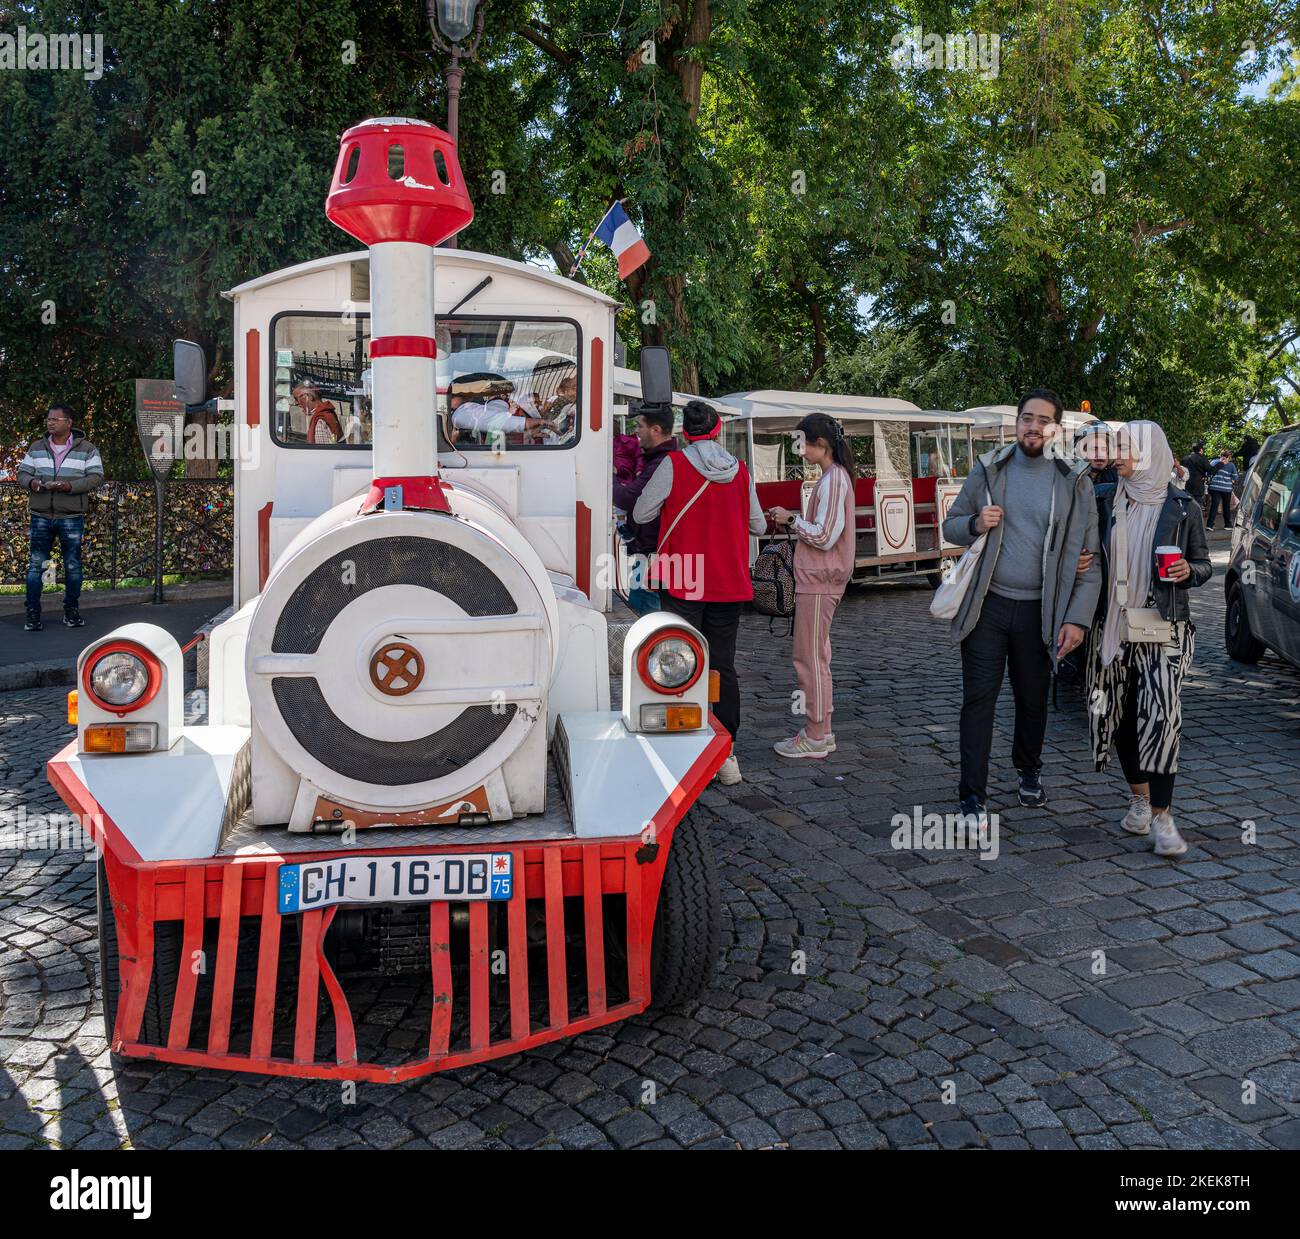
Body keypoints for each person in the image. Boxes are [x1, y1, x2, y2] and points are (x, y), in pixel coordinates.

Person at [940, 387, 1102, 822]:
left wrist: (1078, 620)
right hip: (987, 608)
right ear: (1017, 423)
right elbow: (950, 526)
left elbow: (1092, 561)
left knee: (1033, 700)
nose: (1033, 426)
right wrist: (976, 523)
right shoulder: (989, 469)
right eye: (1026, 418)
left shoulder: (1075, 479)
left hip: (1041, 613)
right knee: (979, 700)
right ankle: (972, 794)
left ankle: (1029, 769)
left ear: (1055, 428)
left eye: (1043, 420)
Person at [1086, 422, 1211, 858]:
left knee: (1159, 718)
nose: (1116, 454)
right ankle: (1138, 798)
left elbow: (1203, 563)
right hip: (1112, 626)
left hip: (1162, 626)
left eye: (1125, 447)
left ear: (1149, 451)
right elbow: (1080, 549)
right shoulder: (1102, 500)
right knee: (1117, 716)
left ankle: (1162, 817)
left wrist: (1188, 572)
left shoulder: (1183, 507)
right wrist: (1083, 559)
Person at [634, 399, 766, 786]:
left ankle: (687, 751)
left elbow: (642, 513)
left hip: (683, 578)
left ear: (685, 432)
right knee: (721, 666)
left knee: (679, 664)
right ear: (717, 429)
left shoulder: (673, 465)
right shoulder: (740, 470)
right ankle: (726, 754)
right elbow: (757, 524)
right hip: (728, 580)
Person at [766, 414, 856, 759]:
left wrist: (791, 519)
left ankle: (816, 733)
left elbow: (824, 534)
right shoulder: (835, 478)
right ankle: (822, 730)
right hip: (822, 578)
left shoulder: (834, 480)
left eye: (802, 444)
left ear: (822, 444)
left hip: (820, 579)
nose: (800, 451)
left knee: (808, 658)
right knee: (817, 656)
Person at [16, 404, 105, 631]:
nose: (50, 422)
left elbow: (96, 477)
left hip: (71, 516)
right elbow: (22, 474)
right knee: (37, 566)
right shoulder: (36, 447)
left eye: (56, 419)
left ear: (69, 422)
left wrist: (69, 486)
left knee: (73, 566)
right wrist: (33, 483)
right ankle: (32, 614)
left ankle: (71, 611)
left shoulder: (87, 449)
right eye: (49, 419)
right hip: (40, 515)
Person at [1059, 421, 1117, 685]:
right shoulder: (1064, 480)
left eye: (1104, 446)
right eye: (1092, 447)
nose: (1099, 452)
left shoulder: (1119, 479)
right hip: (1076, 567)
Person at [613, 404, 678, 615]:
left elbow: (629, 498)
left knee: (644, 624)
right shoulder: (658, 459)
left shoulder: (661, 462)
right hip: (654, 555)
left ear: (655, 430)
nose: (636, 432)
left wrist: (610, 477)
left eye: (639, 426)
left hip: (652, 558)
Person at [1205, 448, 1238, 530]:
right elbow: (1235, 477)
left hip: (1214, 487)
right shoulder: (1231, 465)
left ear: (1220, 455)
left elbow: (1207, 473)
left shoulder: (1214, 462)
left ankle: (1209, 525)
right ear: (1229, 457)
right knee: (1226, 506)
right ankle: (1228, 525)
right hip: (1226, 489)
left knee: (1214, 506)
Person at [1180, 440, 1212, 506]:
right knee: (1197, 506)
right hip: (1198, 487)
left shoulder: (1184, 458)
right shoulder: (1202, 459)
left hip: (1186, 486)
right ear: (1201, 450)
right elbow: (1210, 470)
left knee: (1186, 506)